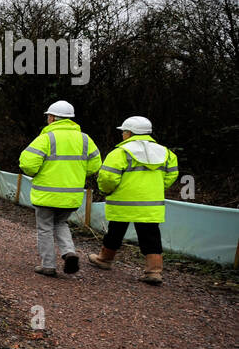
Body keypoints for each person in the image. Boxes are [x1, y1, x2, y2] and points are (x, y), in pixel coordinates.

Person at [88, 116, 178, 285]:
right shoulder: (166, 153)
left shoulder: (120, 153)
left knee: (115, 231)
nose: (122, 135)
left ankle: (105, 259)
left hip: (122, 203)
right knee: (151, 235)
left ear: (129, 133)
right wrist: (156, 188)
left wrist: (107, 190)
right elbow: (172, 175)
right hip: (151, 204)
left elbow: (107, 178)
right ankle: (154, 272)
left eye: (123, 132)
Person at [19, 100, 102, 277]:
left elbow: (27, 163)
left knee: (45, 228)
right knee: (61, 223)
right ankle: (69, 252)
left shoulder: (46, 138)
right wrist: (77, 173)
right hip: (71, 195)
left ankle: (48, 265)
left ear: (53, 118)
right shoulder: (85, 139)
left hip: (46, 194)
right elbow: (95, 165)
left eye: (48, 116)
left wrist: (38, 172)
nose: (47, 119)